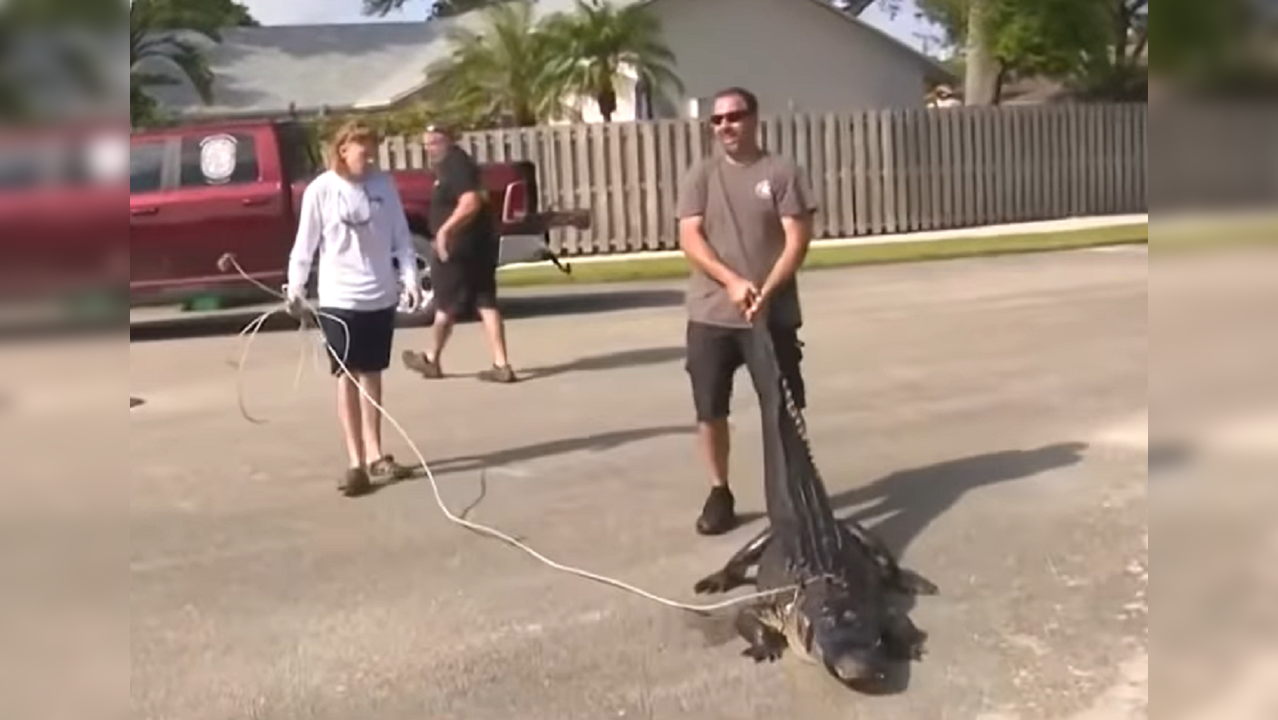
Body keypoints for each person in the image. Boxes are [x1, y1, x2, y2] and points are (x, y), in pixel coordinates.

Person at [675, 87, 818, 535]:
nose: (725, 127)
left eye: (734, 117)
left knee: (782, 408)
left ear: (754, 118)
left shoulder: (782, 172)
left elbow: (798, 239)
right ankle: (720, 492)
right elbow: (690, 237)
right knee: (709, 410)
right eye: (717, 121)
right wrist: (733, 282)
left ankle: (790, 495)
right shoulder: (701, 175)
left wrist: (767, 290)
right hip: (711, 315)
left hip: (770, 317)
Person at [285, 120, 424, 497]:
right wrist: (295, 287)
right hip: (339, 298)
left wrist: (410, 278)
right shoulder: (322, 191)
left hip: (379, 294)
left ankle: (377, 454)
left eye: (373, 150)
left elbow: (401, 238)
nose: (370, 158)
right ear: (343, 150)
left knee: (373, 373)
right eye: (362, 151)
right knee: (346, 374)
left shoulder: (384, 186)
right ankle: (356, 462)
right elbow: (305, 245)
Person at [401, 125, 518, 384]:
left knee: (446, 304)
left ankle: (432, 359)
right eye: (427, 143)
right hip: (477, 246)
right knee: (485, 302)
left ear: (449, 139)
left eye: (435, 141)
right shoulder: (454, 165)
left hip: (459, 247)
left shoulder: (456, 164)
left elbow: (471, 201)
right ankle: (501, 364)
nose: (430, 147)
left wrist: (445, 231)